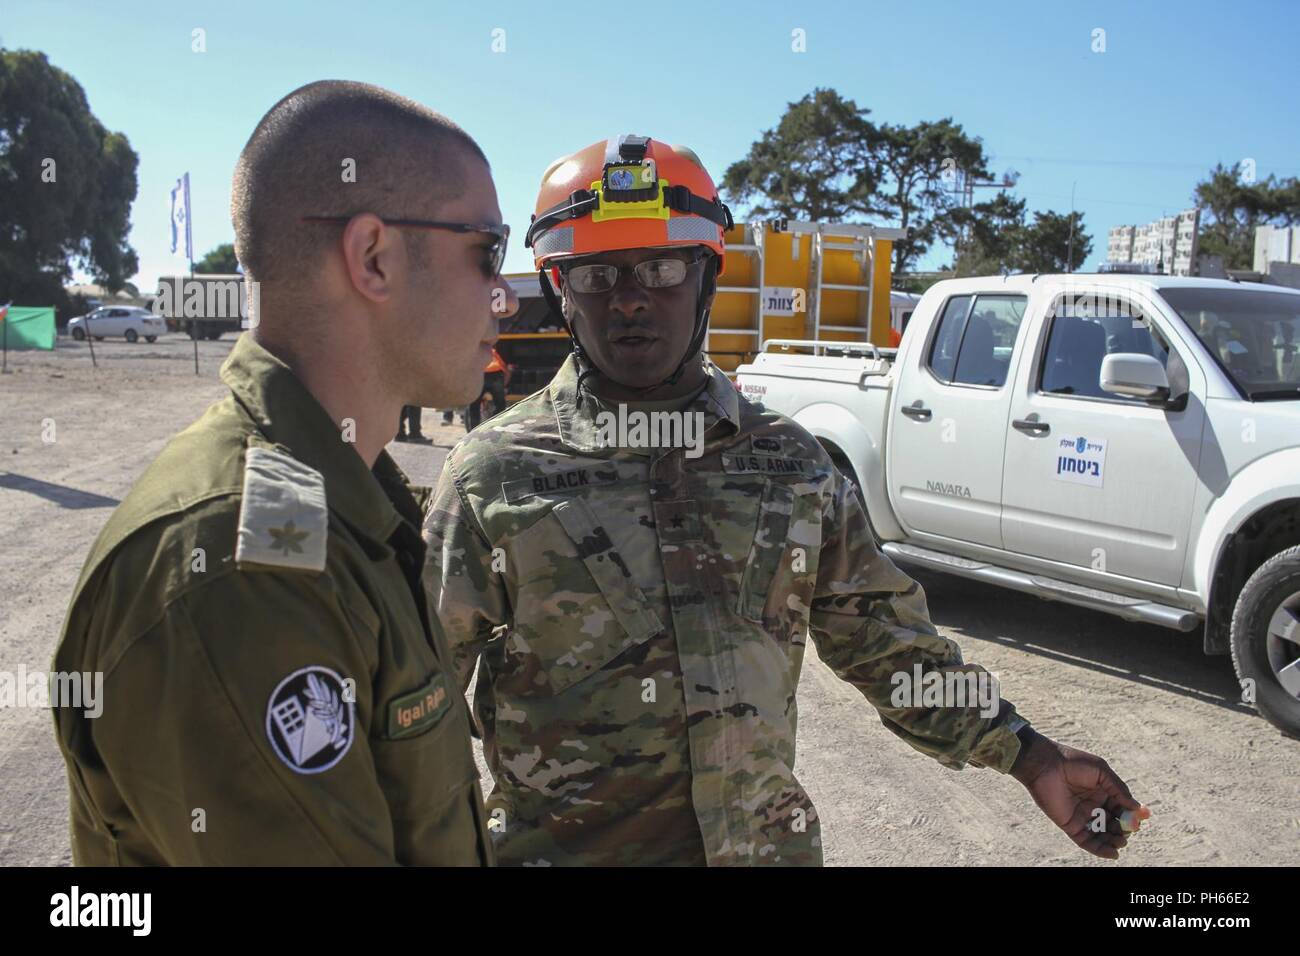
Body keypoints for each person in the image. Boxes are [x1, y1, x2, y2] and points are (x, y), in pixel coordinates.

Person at [422, 134, 1141, 866]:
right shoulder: (495, 476)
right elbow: (419, 697)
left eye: (664, 268)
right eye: (598, 275)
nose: (631, 297)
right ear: (559, 288)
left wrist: (1032, 758)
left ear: (709, 276)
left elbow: (883, 643)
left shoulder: (790, 465)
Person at [51, 80, 517, 865]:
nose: (503, 297)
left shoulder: (339, 498)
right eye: (486, 251)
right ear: (373, 257)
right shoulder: (241, 568)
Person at [464, 346, 509, 431]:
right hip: (496, 375)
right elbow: (504, 367)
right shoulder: (492, 351)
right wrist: (504, 385)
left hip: (478, 375)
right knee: (500, 405)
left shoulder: (472, 351)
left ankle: (473, 432)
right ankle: (496, 428)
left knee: (474, 406)